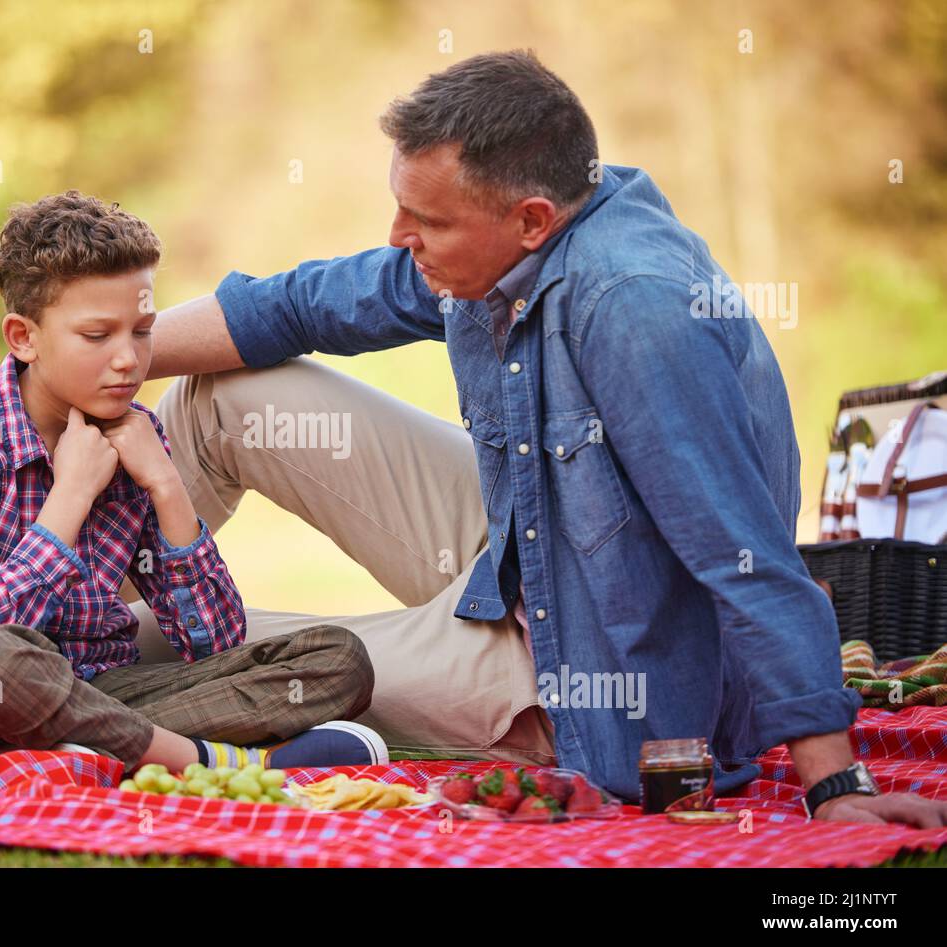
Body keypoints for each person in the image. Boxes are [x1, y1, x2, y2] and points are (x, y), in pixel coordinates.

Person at [120, 50, 946, 826]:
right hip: (523, 547)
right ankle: (57, 595)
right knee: (234, 392)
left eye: (427, 220)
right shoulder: (512, 242)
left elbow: (749, 557)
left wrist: (836, 783)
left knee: (195, 657)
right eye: (402, 205)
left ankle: (67, 651)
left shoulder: (635, 313)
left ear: (531, 218)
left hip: (587, 676)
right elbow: (297, 306)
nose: (399, 235)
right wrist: (81, 358)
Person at [0, 191, 386, 773]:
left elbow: (215, 642)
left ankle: (80, 746)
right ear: (24, 338)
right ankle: (204, 759)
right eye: (98, 336)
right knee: (1, 663)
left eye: (141, 332)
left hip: (104, 688)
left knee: (337, 661)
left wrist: (167, 486)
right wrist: (71, 494)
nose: (129, 359)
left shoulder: (140, 436)